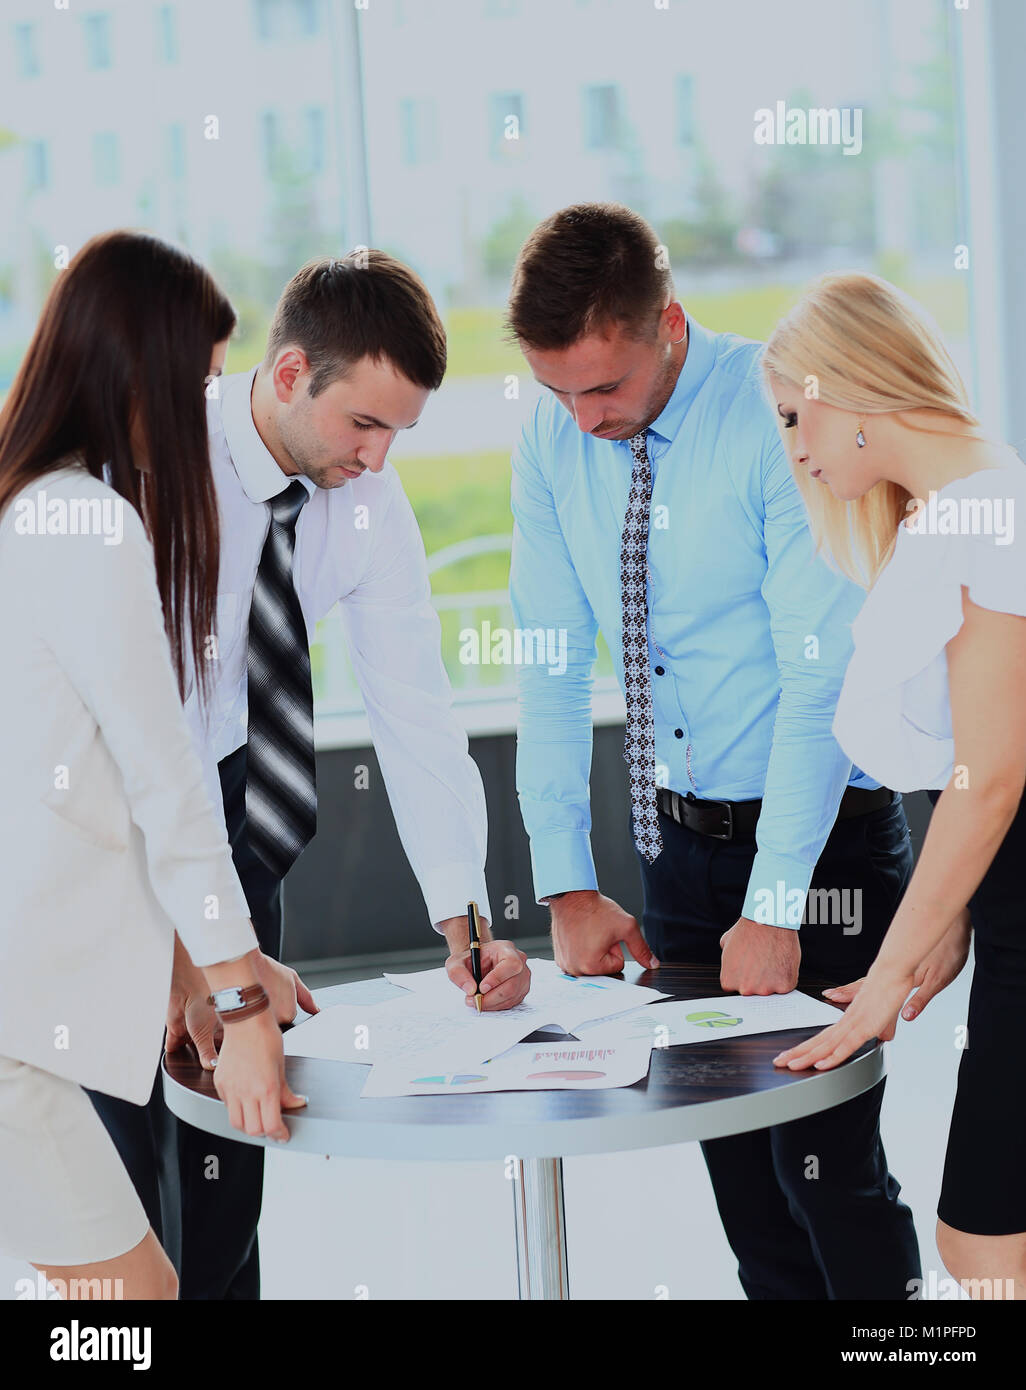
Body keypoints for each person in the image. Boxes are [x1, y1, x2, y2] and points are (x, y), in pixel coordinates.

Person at [88, 248, 532, 1300]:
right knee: (126, 1187)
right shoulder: (153, 464)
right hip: (115, 833)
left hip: (240, 815)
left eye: (399, 432)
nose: (378, 458)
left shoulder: (368, 505)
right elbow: (147, 738)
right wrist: (208, 965)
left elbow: (415, 711)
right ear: (290, 375)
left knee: (232, 1164)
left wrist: (463, 919)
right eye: (363, 424)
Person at [506, 203, 921, 1299]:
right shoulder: (555, 438)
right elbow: (547, 660)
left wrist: (777, 903)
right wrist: (567, 879)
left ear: (669, 325)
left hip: (821, 844)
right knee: (742, 1176)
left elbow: (819, 675)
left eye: (603, 386)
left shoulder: (778, 413)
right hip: (680, 855)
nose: (582, 417)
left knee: (824, 1166)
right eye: (557, 390)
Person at [0, 230, 311, 1300]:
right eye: (202, 380)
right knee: (133, 1301)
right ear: (142, 373)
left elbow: (91, 792)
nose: (204, 410)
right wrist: (240, 1008)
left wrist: (199, 972)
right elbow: (165, 785)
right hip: (13, 1035)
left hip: (22, 1015)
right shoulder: (87, 524)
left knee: (104, 1302)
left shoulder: (31, 506)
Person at [765, 271, 1026, 1300]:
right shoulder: (959, 510)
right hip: (1006, 925)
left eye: (796, 414)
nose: (795, 448)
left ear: (848, 386)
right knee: (986, 1252)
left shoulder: (984, 513)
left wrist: (886, 976)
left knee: (986, 1252)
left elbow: (994, 775)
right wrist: (948, 919)